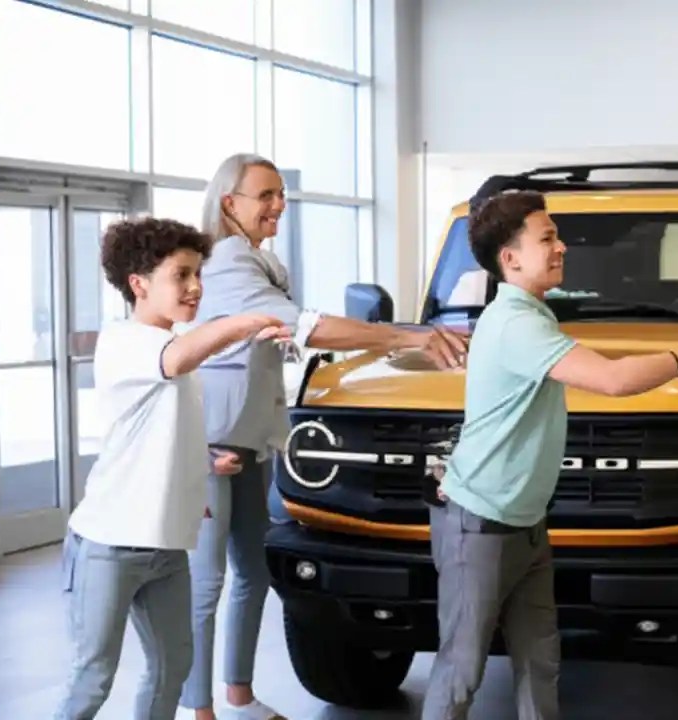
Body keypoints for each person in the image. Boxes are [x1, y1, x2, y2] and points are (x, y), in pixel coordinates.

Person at [181, 153, 469, 720]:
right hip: (211, 441)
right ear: (228, 203)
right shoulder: (223, 263)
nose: (277, 205)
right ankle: (199, 708)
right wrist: (403, 337)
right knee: (207, 581)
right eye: (264, 195)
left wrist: (402, 337)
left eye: (280, 193)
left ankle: (238, 695)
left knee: (253, 571)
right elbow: (301, 324)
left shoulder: (259, 261)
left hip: (252, 436)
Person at [421, 190, 678, 720]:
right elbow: (610, 379)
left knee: (540, 663)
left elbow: (607, 361)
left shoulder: (531, 315)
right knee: (460, 673)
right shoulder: (516, 324)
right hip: (482, 523)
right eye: (548, 238)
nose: (562, 247)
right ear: (510, 259)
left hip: (526, 522)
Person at [54, 218, 289, 720]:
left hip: (166, 548)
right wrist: (247, 320)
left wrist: (201, 464)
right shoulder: (125, 340)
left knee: (172, 668)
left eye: (198, 274)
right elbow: (177, 360)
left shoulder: (174, 339)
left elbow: (159, 424)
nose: (195, 286)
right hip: (109, 545)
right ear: (138, 285)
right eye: (181, 275)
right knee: (93, 679)